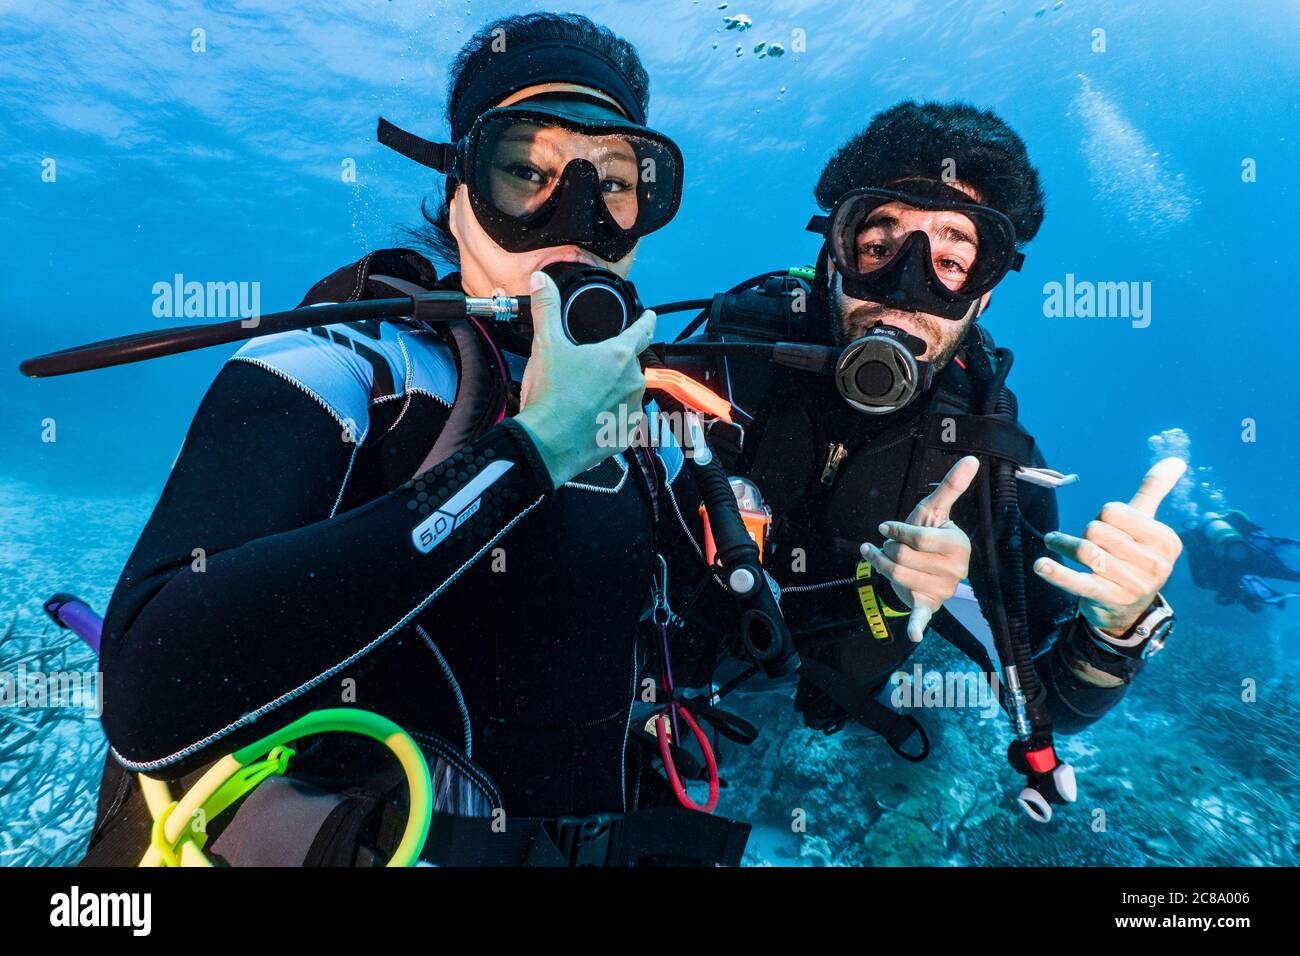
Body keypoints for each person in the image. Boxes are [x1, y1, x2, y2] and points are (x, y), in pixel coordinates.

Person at [80, 12, 750, 867]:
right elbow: (147, 694)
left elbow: (714, 637)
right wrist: (533, 451)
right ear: (459, 194)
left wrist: (885, 602)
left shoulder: (655, 422)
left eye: (615, 182)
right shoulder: (343, 365)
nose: (577, 217)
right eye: (525, 172)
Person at [661, 101, 1186, 818]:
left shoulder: (989, 461)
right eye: (878, 247)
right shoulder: (720, 364)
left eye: (950, 262)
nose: (907, 292)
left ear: (985, 290)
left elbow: (1052, 706)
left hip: (813, 687)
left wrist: (1119, 624)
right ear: (832, 257)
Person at [1181, 510, 1300, 611]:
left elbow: (1201, 579)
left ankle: (1252, 584)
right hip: (1249, 551)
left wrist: (1241, 596)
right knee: (1278, 570)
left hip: (1227, 563)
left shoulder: (1195, 536)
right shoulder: (1231, 518)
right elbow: (1246, 522)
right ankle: (1271, 546)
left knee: (1238, 574)